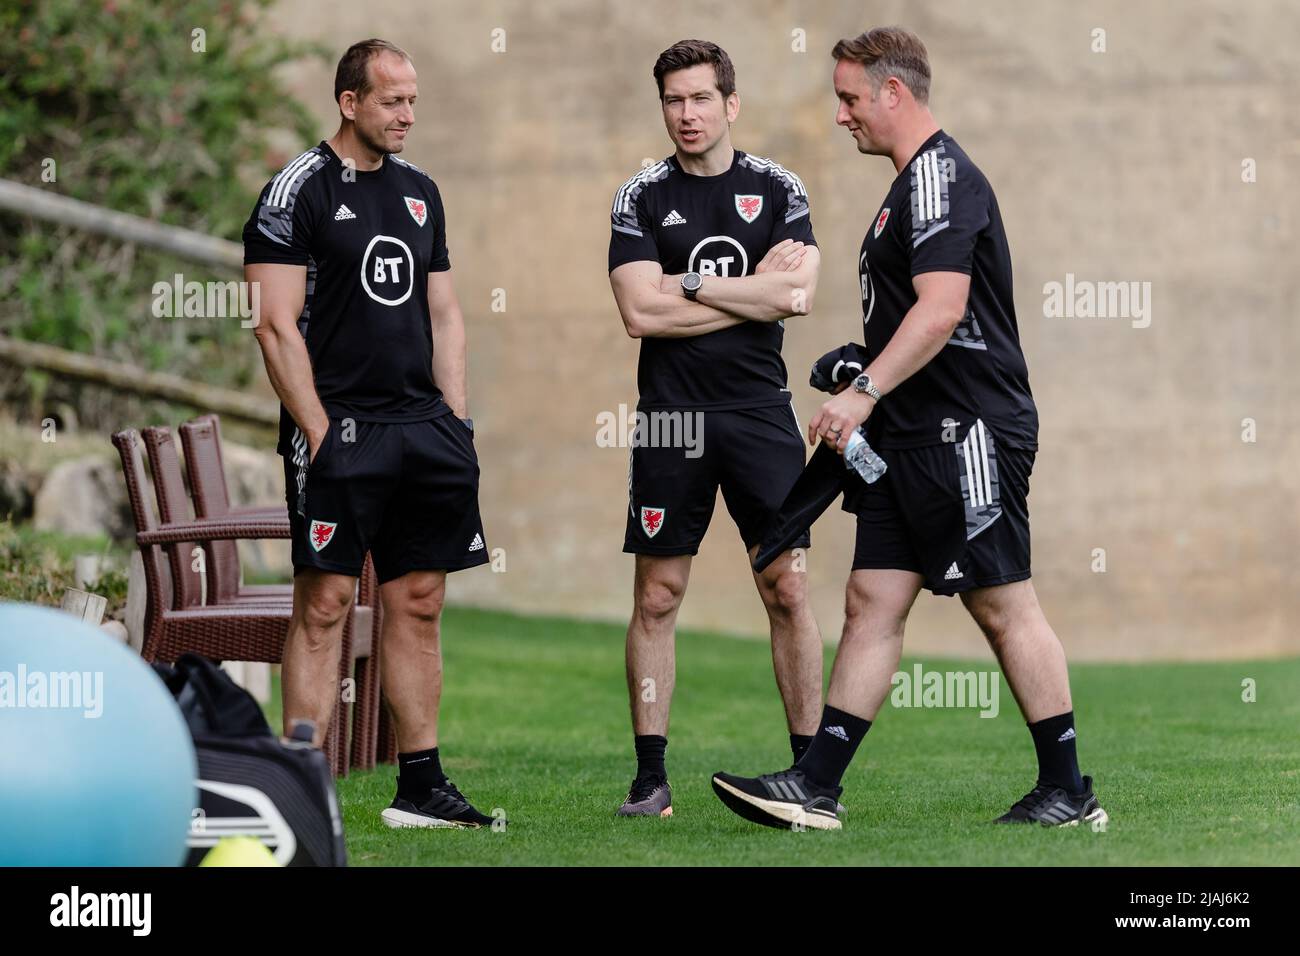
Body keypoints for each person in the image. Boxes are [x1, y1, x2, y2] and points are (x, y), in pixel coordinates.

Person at [711, 26, 1107, 831]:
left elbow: (944, 308)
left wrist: (860, 390)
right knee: (870, 601)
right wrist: (863, 362)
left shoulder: (939, 179)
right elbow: (924, 320)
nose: (840, 117)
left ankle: (1068, 790)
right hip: (911, 437)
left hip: (967, 437)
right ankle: (815, 786)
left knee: (1002, 605)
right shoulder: (909, 187)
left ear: (894, 93)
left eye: (850, 99)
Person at [243, 38, 497, 829]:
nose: (407, 115)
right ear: (349, 102)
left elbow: (445, 312)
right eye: (392, 101)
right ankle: (300, 786)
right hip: (340, 429)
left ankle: (420, 786)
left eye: (412, 101)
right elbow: (274, 326)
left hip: (423, 429)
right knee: (323, 604)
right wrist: (320, 434)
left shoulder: (422, 192)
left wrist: (455, 419)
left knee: (418, 600)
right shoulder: (294, 193)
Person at [606, 39, 826, 817]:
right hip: (671, 420)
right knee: (659, 596)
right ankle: (650, 779)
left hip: (762, 415)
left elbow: (795, 298)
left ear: (730, 104)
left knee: (788, 588)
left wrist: (691, 282)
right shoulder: (639, 195)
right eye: (673, 100)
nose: (686, 114)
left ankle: (811, 776)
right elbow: (638, 312)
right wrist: (751, 287)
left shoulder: (777, 188)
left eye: (701, 99)